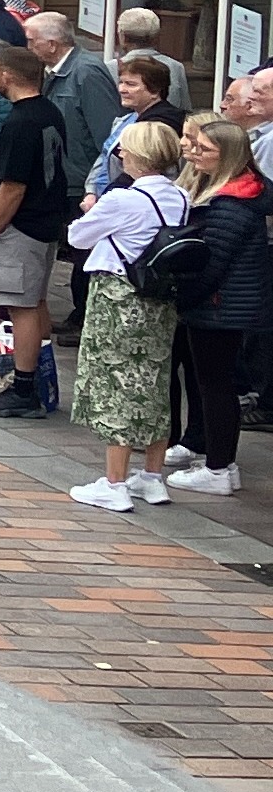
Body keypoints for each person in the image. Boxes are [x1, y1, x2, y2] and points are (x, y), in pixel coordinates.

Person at [69, 120, 191, 510]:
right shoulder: (180, 196)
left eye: (124, 147)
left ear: (138, 154)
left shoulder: (122, 199)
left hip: (118, 296)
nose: (119, 153)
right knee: (155, 382)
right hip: (159, 300)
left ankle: (115, 484)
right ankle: (152, 478)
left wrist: (91, 212)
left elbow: (77, 236)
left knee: (116, 383)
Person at [0, 42, 66, 419]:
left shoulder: (19, 121)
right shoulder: (49, 112)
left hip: (20, 226)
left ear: (7, 75)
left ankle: (24, 390)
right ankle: (39, 377)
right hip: (45, 221)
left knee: (20, 308)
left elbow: (14, 185)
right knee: (36, 301)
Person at [168, 119, 263, 496]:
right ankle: (222, 464)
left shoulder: (230, 204)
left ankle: (218, 468)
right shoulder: (240, 196)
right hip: (225, 305)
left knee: (215, 387)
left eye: (205, 149)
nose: (195, 154)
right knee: (216, 384)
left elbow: (213, 266)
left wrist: (184, 298)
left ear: (228, 156)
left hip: (219, 307)